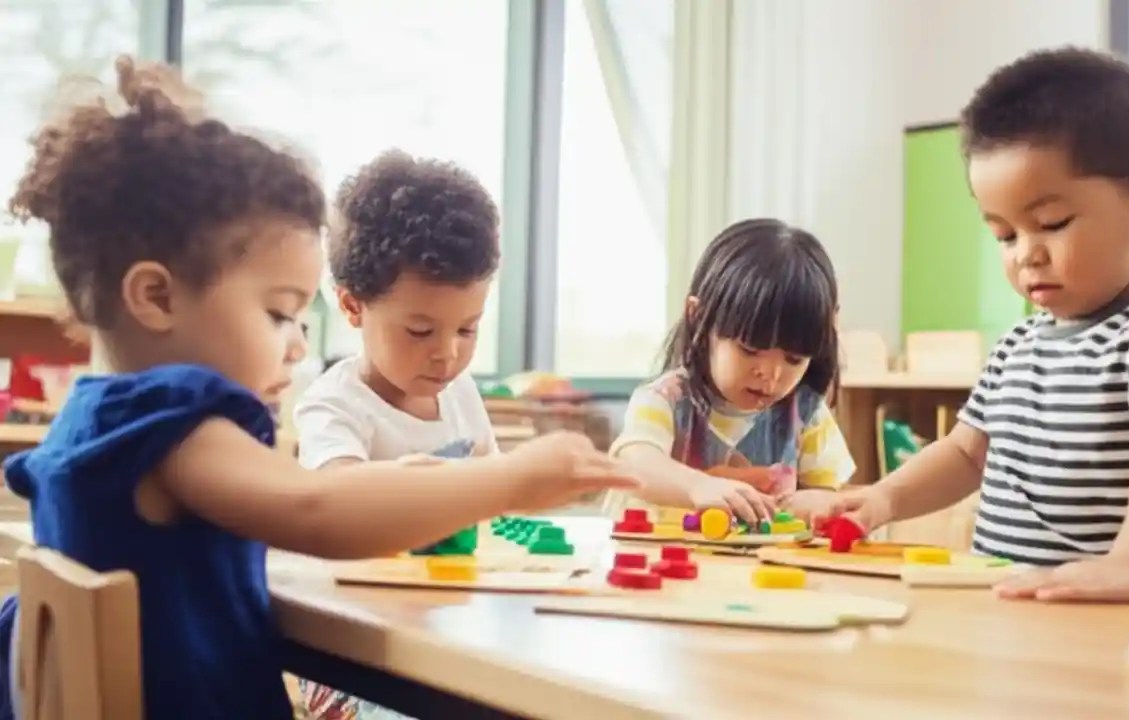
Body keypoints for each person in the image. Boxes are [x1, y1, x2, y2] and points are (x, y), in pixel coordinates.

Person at [0, 56, 634, 720]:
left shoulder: (90, 421)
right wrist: (514, 479)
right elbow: (316, 509)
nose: (298, 343)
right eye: (278, 313)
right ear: (156, 295)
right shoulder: (171, 424)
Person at [820, 47, 1129, 603]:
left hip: (1117, 619)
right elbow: (967, 453)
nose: (1025, 255)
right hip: (1012, 616)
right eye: (1004, 235)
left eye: (1051, 223)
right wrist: (885, 498)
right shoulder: (1018, 344)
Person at [291, 151, 503, 719]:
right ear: (352, 305)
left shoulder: (460, 394)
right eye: (419, 329)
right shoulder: (334, 407)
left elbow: (496, 497)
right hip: (355, 654)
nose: (447, 352)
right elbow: (337, 498)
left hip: (450, 632)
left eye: (468, 328)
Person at [609, 218, 856, 525]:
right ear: (698, 318)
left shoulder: (806, 413)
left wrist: (820, 502)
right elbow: (634, 464)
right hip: (667, 565)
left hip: (757, 570)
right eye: (749, 350)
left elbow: (828, 492)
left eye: (794, 359)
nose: (771, 375)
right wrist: (698, 486)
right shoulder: (665, 400)